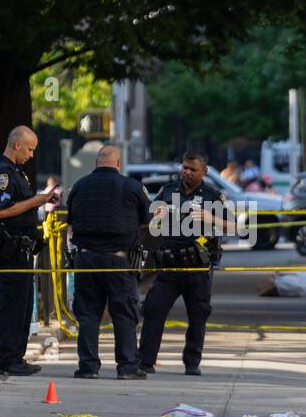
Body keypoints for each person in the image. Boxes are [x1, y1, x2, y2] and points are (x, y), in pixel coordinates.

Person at [138, 151, 234, 376]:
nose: (187, 172)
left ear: (204, 171)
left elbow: (235, 227)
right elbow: (148, 221)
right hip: (170, 265)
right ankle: (145, 361)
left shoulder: (212, 195)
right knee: (153, 310)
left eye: (193, 169)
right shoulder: (168, 191)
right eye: (184, 168)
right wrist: (155, 216)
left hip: (197, 266)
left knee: (198, 315)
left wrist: (211, 219)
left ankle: (192, 363)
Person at [63, 144, 150, 379]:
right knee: (124, 314)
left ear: (96, 163)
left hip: (86, 258)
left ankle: (88, 367)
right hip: (119, 261)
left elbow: (70, 220)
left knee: (88, 314)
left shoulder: (79, 187)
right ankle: (127, 367)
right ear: (118, 163)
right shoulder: (132, 187)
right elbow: (146, 220)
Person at [0, 126, 58, 376]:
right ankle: (6, 359)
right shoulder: (2, 174)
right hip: (11, 250)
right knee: (12, 306)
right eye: (29, 149)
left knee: (23, 306)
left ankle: (16, 356)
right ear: (17, 145)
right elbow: (2, 211)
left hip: (23, 249)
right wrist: (36, 200)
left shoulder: (17, 173)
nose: (31, 155)